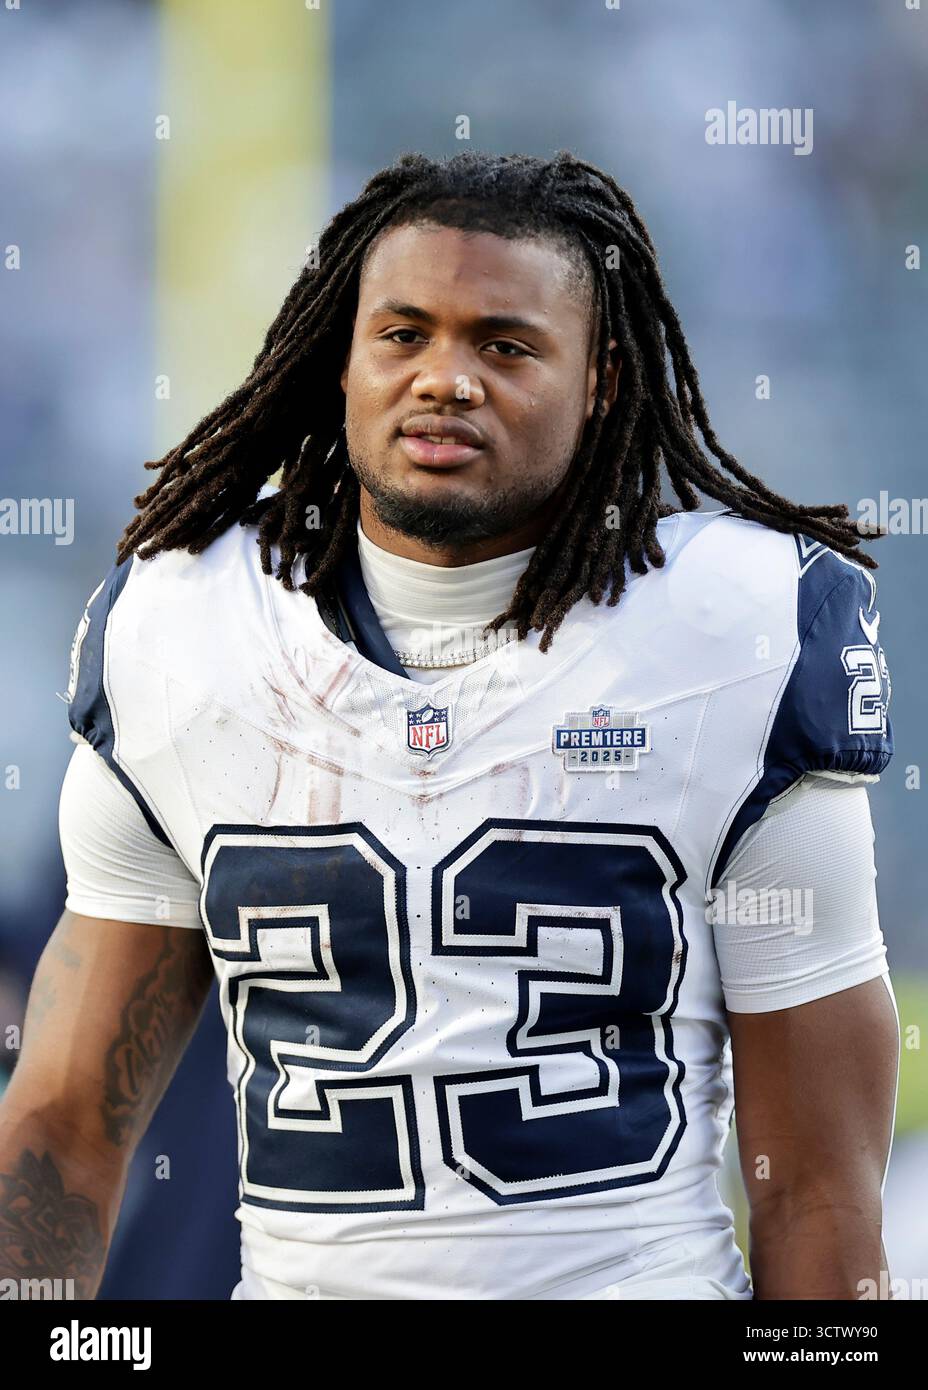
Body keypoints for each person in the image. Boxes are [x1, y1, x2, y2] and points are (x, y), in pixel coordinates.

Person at [0, 151, 899, 1301]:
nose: (445, 379)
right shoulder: (181, 626)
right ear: (343, 358)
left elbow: (815, 1187)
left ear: (603, 381)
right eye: (404, 334)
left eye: (505, 345)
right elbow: (66, 1122)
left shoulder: (743, 631)